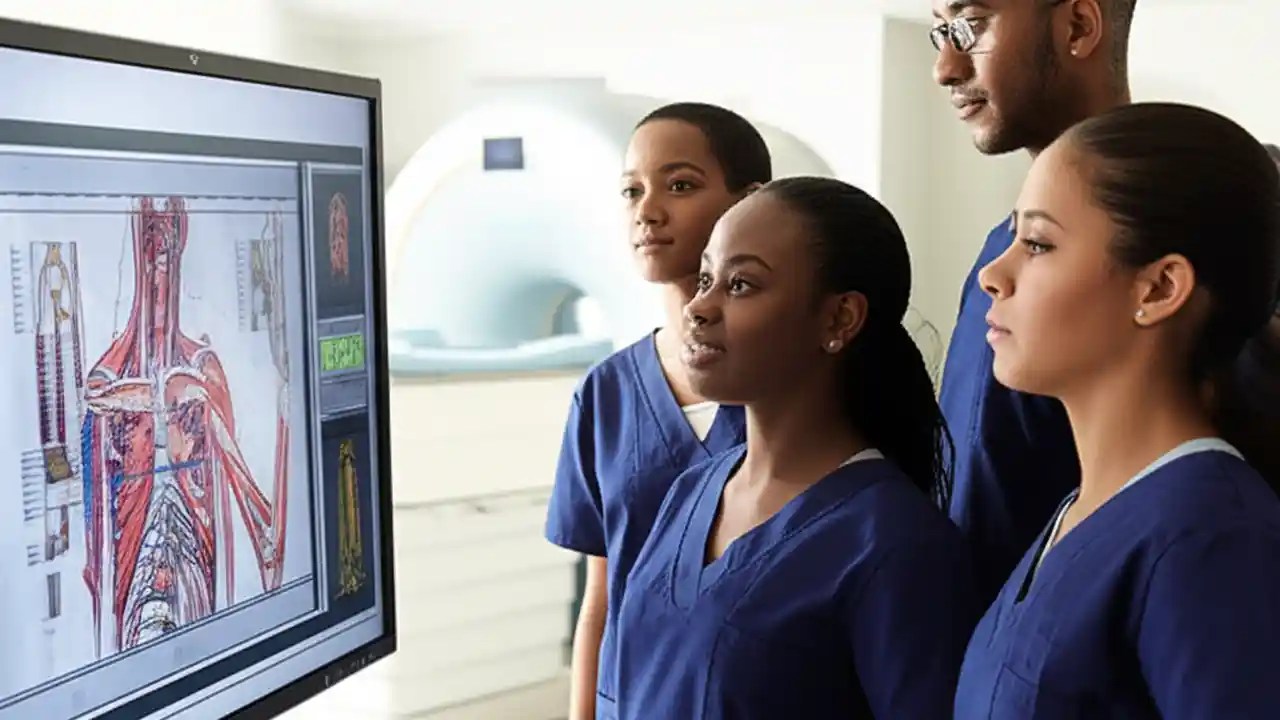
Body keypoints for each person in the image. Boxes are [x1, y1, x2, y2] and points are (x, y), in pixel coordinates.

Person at [606, 176, 980, 719]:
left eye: (740, 285)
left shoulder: (894, 545)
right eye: (706, 278)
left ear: (839, 319)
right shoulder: (693, 491)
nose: (699, 307)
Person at [953, 102, 1280, 718]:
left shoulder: (1212, 540)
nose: (993, 275)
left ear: (1158, 288)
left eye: (1039, 244)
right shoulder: (1081, 513)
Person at [543, 102, 771, 720]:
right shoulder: (607, 397)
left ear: (750, 202)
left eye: (680, 185)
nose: (648, 210)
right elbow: (601, 601)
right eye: (631, 190)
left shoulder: (791, 388)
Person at [929, 0, 1140, 602]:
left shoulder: (1191, 235)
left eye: (970, 25)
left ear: (1077, 26)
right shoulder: (998, 253)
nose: (945, 66)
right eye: (940, 33)